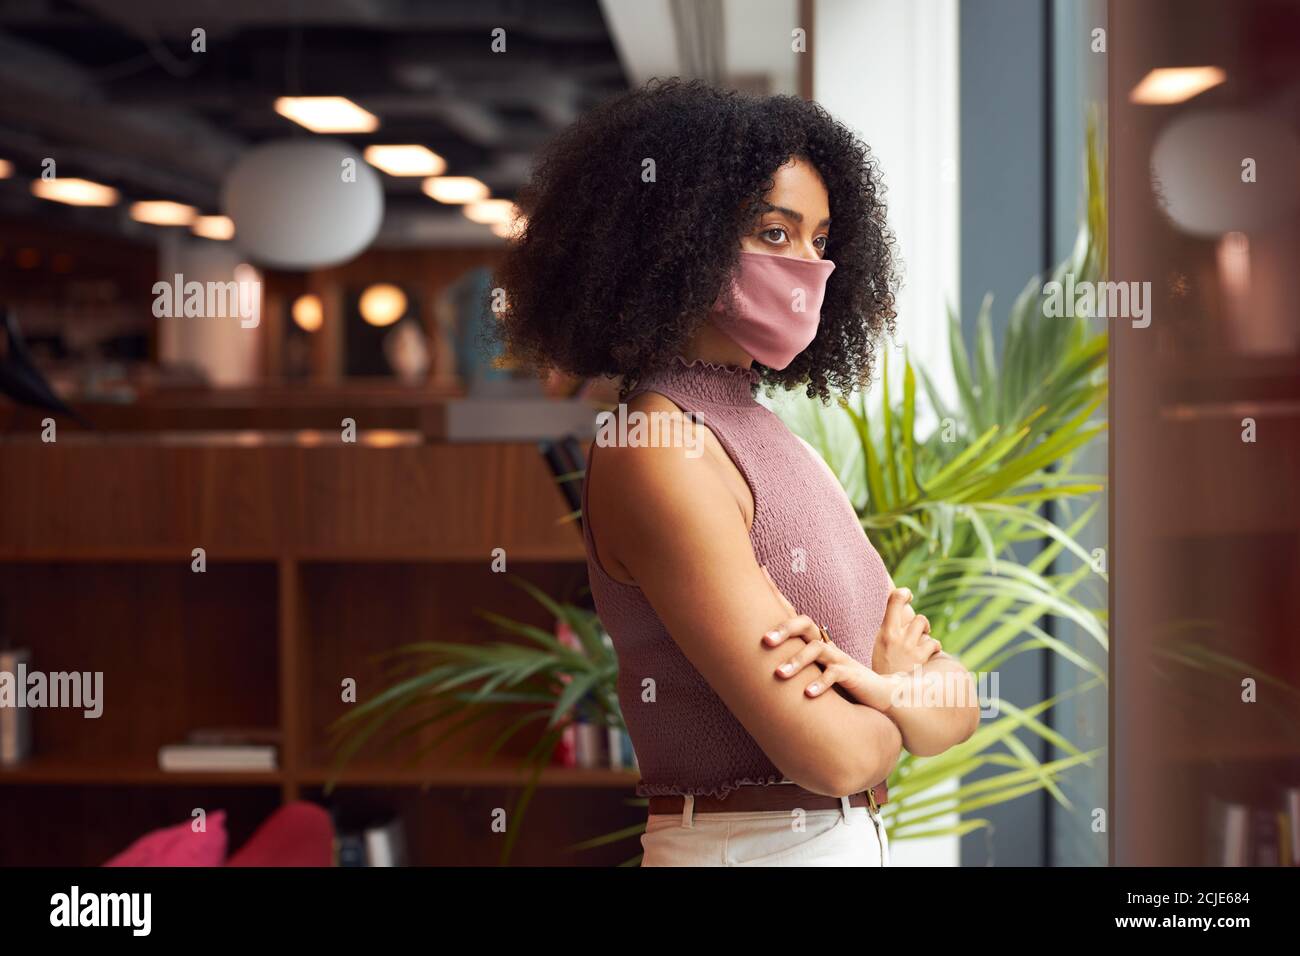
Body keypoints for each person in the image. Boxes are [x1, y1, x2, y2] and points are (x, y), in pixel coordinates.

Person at [496, 78, 980, 866]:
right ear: (674, 237)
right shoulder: (659, 445)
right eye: (775, 232)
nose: (809, 266)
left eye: (821, 240)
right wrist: (899, 700)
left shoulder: (768, 434)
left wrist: (882, 698)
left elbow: (956, 703)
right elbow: (833, 758)